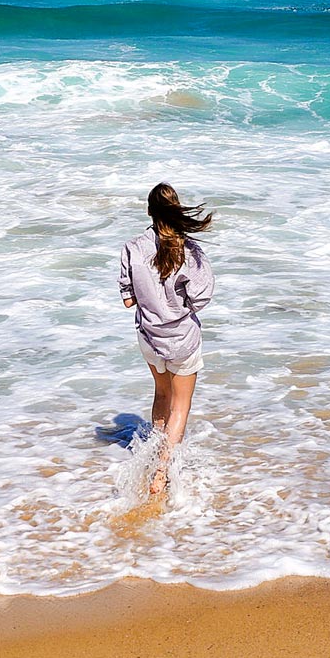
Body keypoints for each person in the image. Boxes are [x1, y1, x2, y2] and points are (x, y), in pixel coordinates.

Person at [118, 183, 214, 496]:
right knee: (180, 406)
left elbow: (128, 300)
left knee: (161, 394)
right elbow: (200, 299)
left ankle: (151, 454)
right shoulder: (189, 250)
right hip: (182, 338)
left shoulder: (132, 247)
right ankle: (162, 473)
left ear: (149, 211)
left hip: (149, 336)